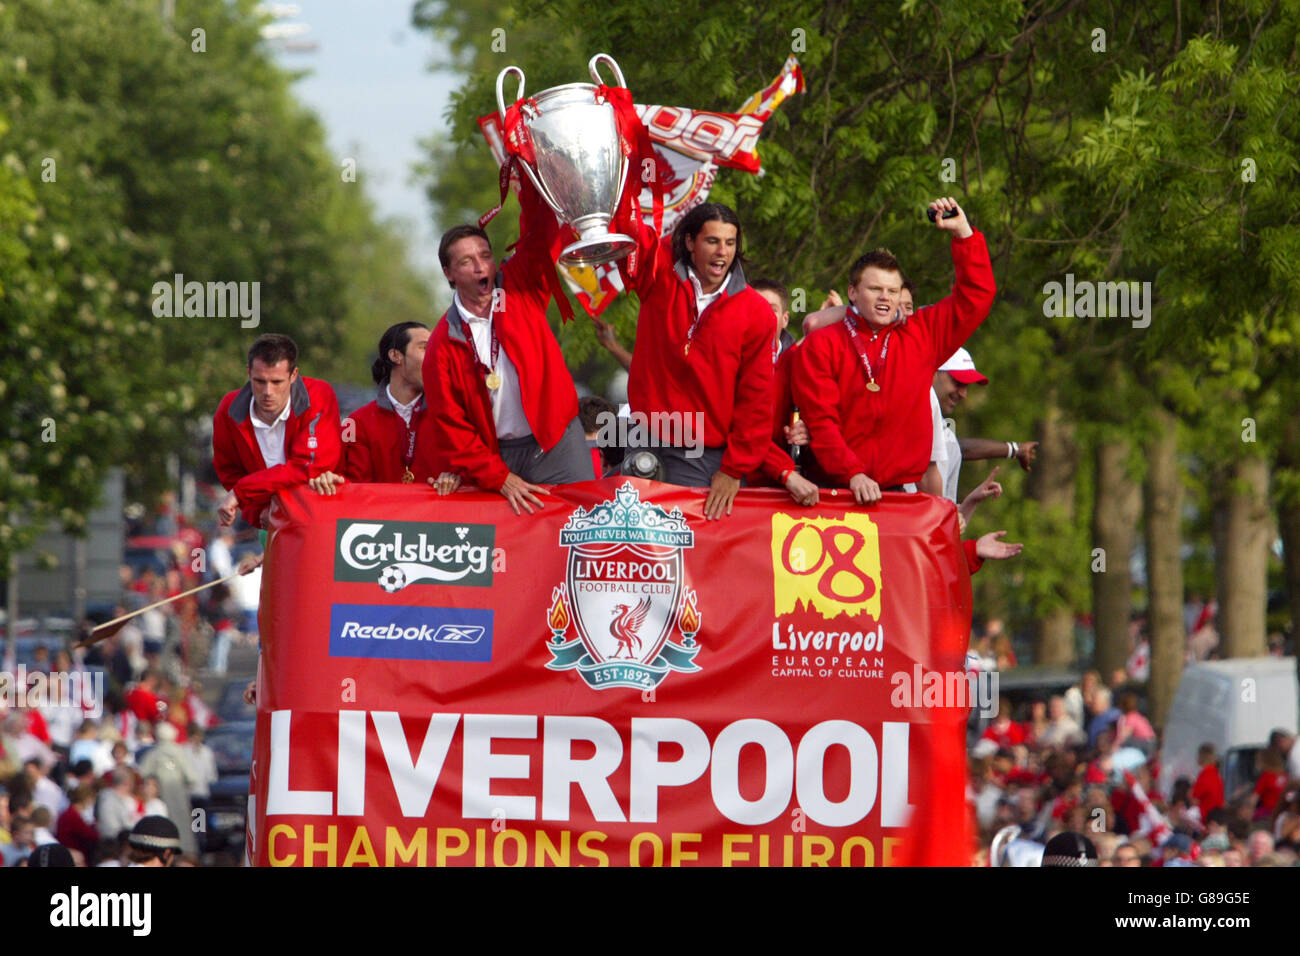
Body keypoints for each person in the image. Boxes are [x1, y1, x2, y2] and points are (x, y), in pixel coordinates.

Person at [791, 198, 996, 503]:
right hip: (830, 493)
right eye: (875, 289)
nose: (885, 298)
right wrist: (853, 473)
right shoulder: (823, 344)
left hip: (896, 498)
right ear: (852, 293)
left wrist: (963, 234)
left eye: (892, 290)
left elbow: (975, 298)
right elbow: (821, 422)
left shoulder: (922, 333)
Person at [423, 178, 595, 516]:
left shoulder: (520, 286)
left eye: (485, 256)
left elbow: (540, 230)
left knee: (583, 536)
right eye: (466, 262)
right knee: (512, 557)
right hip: (497, 456)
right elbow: (452, 429)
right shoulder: (441, 346)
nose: (481, 267)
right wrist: (499, 477)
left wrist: (529, 173)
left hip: (557, 440)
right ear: (449, 274)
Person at [617, 202, 778, 519]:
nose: (722, 252)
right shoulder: (658, 277)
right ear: (690, 242)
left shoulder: (756, 312)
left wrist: (733, 470)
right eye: (712, 241)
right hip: (645, 440)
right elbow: (629, 229)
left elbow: (756, 400)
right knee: (638, 550)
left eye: (730, 243)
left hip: (704, 456)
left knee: (693, 554)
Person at [309, 322, 460, 496]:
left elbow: (469, 468)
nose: (435, 356)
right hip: (381, 519)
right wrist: (328, 479)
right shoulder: (356, 422)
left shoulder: (451, 415)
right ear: (395, 355)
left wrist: (457, 478)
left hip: (436, 519)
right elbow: (351, 484)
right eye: (425, 348)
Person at [212, 334, 342, 528]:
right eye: (260, 381)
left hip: (323, 520)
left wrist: (241, 492)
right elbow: (228, 471)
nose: (267, 392)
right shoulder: (229, 410)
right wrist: (258, 513)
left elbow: (309, 466)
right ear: (248, 373)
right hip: (270, 524)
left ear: (294, 375)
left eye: (277, 382)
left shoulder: (318, 395)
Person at [932, 347, 1039, 503]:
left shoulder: (942, 429)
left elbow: (958, 447)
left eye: (966, 386)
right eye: (958, 382)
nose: (964, 394)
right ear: (934, 373)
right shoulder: (904, 412)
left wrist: (1015, 449)